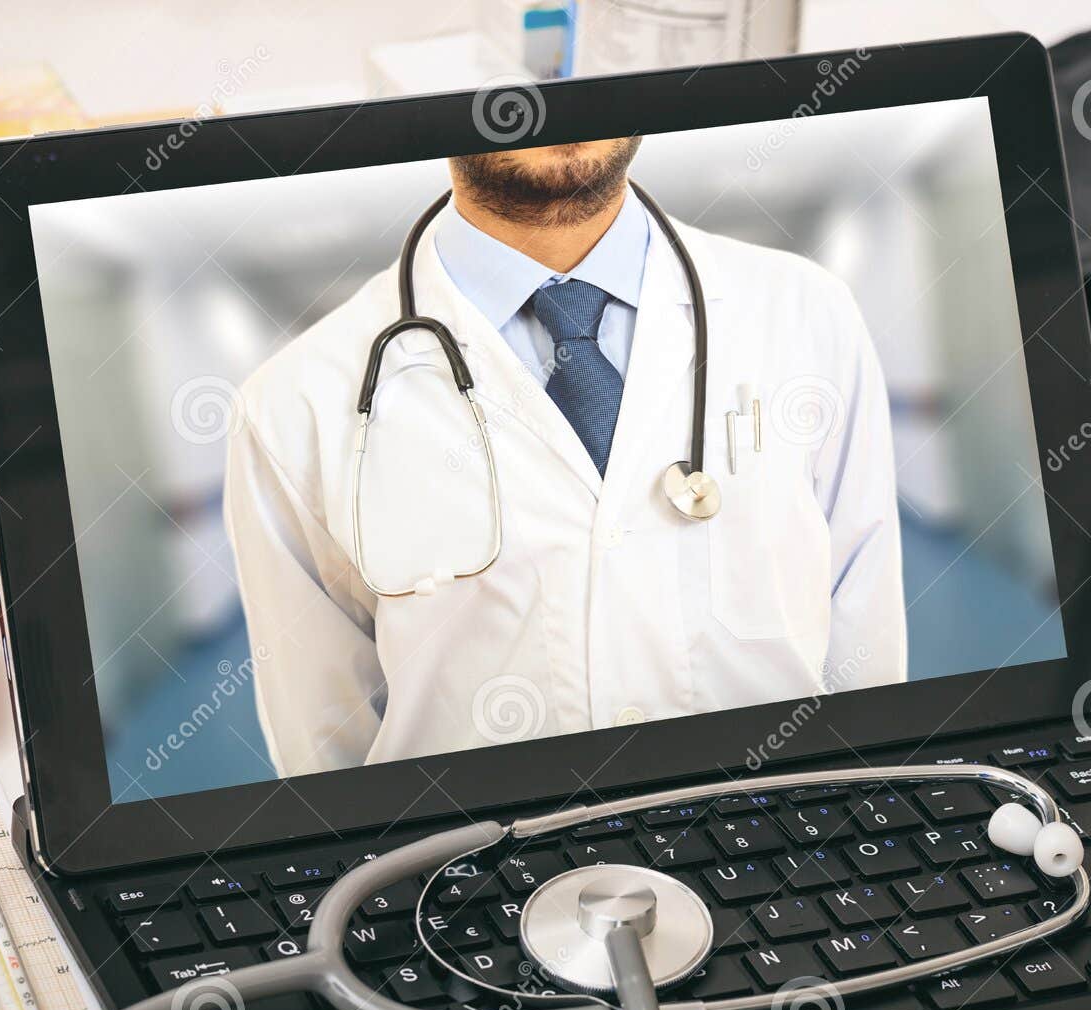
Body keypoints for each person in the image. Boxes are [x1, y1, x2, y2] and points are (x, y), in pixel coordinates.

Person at [224, 136, 904, 777]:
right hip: (473, 879)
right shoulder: (294, 402)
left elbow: (864, 626)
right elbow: (325, 753)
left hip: (782, 842)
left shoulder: (805, 311)